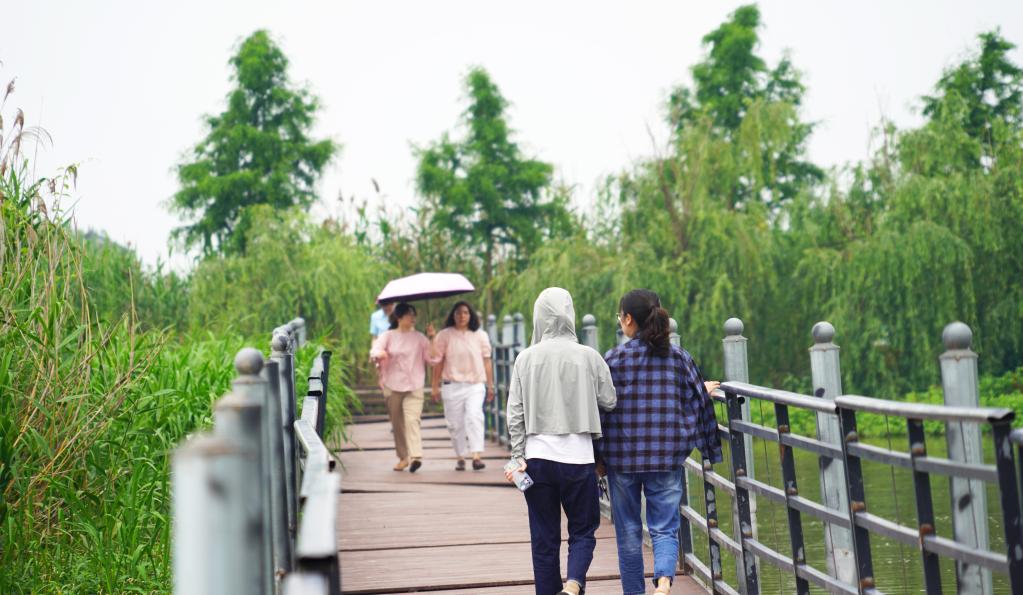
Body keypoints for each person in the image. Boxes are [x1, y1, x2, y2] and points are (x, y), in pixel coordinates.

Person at [599, 289, 722, 595]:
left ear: (628, 319)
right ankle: (664, 581)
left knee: (628, 533)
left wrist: (597, 457)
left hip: (622, 460)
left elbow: (598, 409)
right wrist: (703, 394)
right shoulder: (679, 358)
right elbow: (696, 401)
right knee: (665, 528)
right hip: (665, 457)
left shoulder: (612, 359)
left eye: (620, 316)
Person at [504, 288, 617, 595]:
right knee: (583, 530)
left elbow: (515, 412)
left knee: (544, 538)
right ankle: (573, 583)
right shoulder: (588, 356)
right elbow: (609, 400)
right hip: (578, 459)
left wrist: (517, 455)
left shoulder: (525, 359)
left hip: (537, 459)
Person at [370, 302, 435, 473]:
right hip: (393, 384)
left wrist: (432, 338)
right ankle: (403, 458)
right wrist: (380, 354)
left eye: (414, 314)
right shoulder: (388, 336)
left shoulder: (420, 338)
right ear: (399, 317)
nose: (413, 317)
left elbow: (433, 359)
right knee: (397, 424)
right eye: (409, 314)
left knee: (412, 420)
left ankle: (416, 456)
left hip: (414, 385)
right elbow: (375, 350)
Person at [429, 301, 494, 471]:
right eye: (458, 313)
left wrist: (491, 385)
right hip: (452, 385)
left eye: (465, 313)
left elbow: (487, 361)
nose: (462, 316)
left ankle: (476, 455)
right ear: (453, 315)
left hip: (475, 385)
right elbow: (437, 362)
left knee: (474, 417)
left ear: (470, 315)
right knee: (455, 424)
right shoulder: (445, 335)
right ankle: (460, 456)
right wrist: (434, 387)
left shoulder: (480, 335)